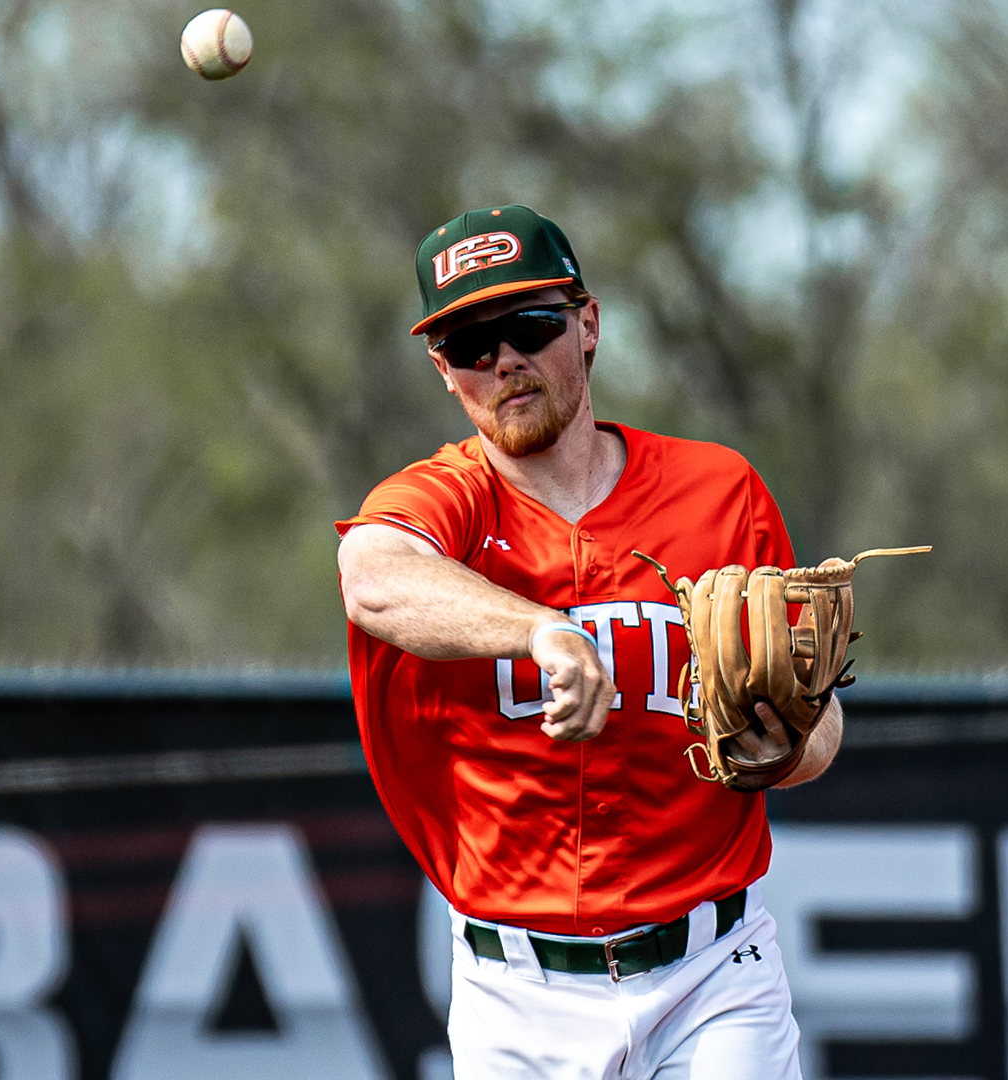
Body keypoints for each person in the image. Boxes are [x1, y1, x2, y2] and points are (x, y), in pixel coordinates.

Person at [335, 205, 842, 1079]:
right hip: (516, 997)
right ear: (442, 371)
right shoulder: (447, 503)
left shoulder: (718, 492)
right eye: (468, 343)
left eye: (531, 324)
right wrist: (541, 630)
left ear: (589, 324)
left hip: (714, 975)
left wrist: (786, 749)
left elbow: (823, 729)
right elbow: (371, 572)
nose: (504, 360)